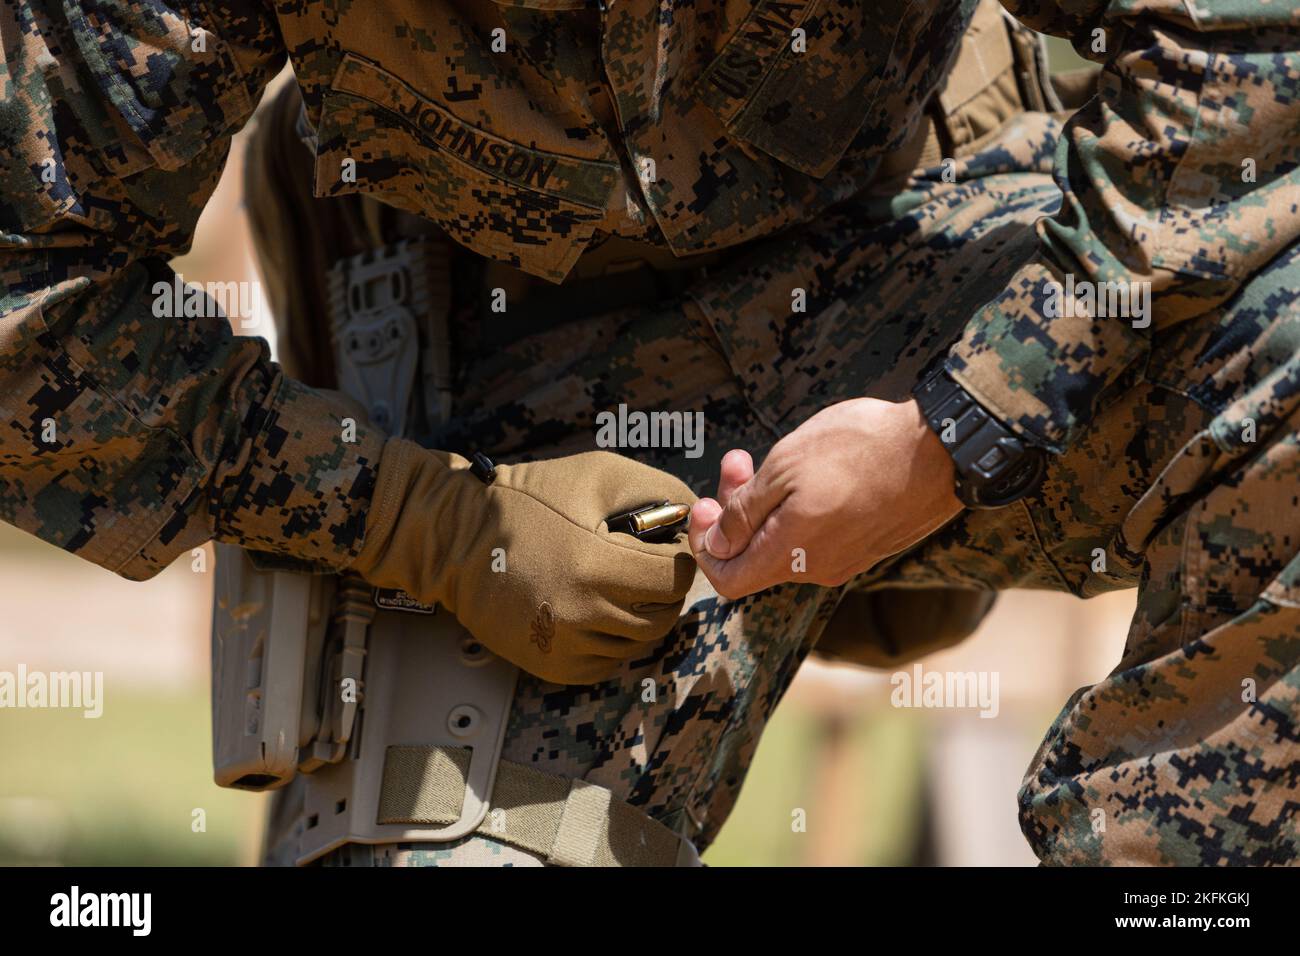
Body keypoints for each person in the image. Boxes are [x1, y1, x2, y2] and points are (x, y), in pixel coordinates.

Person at [2, 0, 1295, 866]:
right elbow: (24, 295)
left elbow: (1259, 47)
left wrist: (960, 428)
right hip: (511, 396)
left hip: (911, 266)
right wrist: (423, 523)